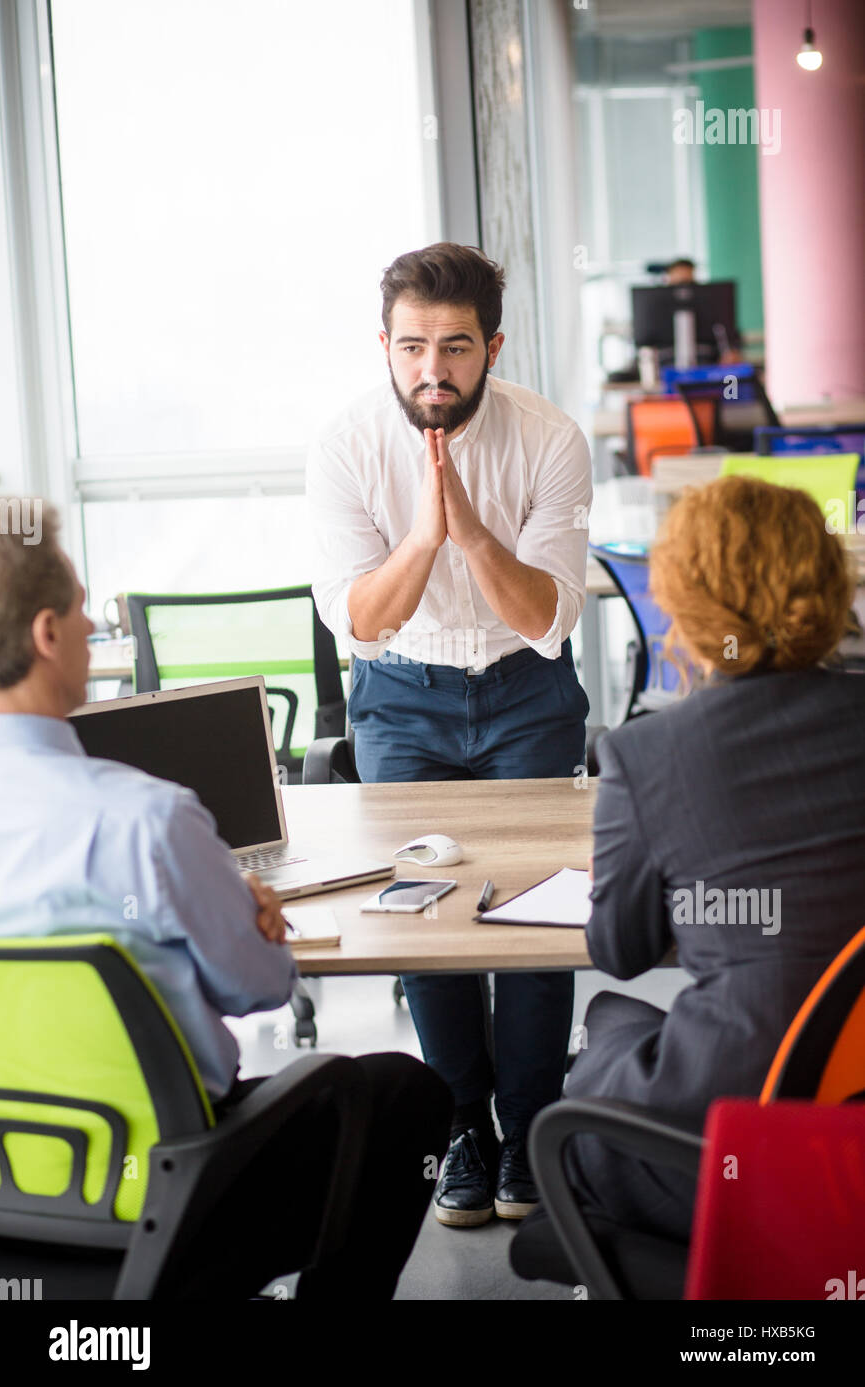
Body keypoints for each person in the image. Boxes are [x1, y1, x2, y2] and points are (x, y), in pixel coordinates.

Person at [0, 502, 452, 1299]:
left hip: (14, 1196)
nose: (87, 629)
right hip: (177, 1198)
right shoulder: (146, 818)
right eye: (79, 612)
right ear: (44, 635)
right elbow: (262, 987)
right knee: (406, 1095)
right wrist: (255, 919)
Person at [308, 242, 592, 1227]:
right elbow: (361, 619)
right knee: (422, 918)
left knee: (536, 917)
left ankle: (529, 1128)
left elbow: (547, 617)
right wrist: (423, 538)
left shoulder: (548, 438)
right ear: (383, 344)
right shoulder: (344, 446)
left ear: (491, 346)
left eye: (456, 346)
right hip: (400, 694)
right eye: (413, 345)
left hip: (526, 692)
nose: (433, 369)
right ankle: (460, 1126)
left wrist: (470, 531)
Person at [551, 475, 865, 1250]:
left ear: (685, 612)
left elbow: (618, 950)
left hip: (744, 1127)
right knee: (614, 1027)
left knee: (599, 1030)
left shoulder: (646, 753)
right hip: (849, 1102)